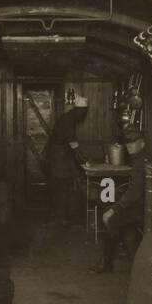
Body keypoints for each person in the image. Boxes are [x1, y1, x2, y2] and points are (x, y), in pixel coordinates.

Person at [91, 128, 146, 273]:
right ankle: (134, 260)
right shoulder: (140, 159)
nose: (129, 146)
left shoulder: (139, 163)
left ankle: (106, 263)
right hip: (143, 203)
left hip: (143, 207)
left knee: (110, 216)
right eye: (127, 144)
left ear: (142, 144)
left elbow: (135, 192)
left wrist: (115, 208)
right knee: (118, 218)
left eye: (133, 143)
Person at [44, 95, 89, 224]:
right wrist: (83, 159)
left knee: (64, 184)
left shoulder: (70, 117)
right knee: (62, 185)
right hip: (58, 155)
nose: (84, 116)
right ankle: (61, 217)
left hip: (61, 154)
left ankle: (63, 215)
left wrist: (80, 157)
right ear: (79, 110)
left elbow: (72, 142)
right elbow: (72, 141)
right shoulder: (69, 119)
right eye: (84, 112)